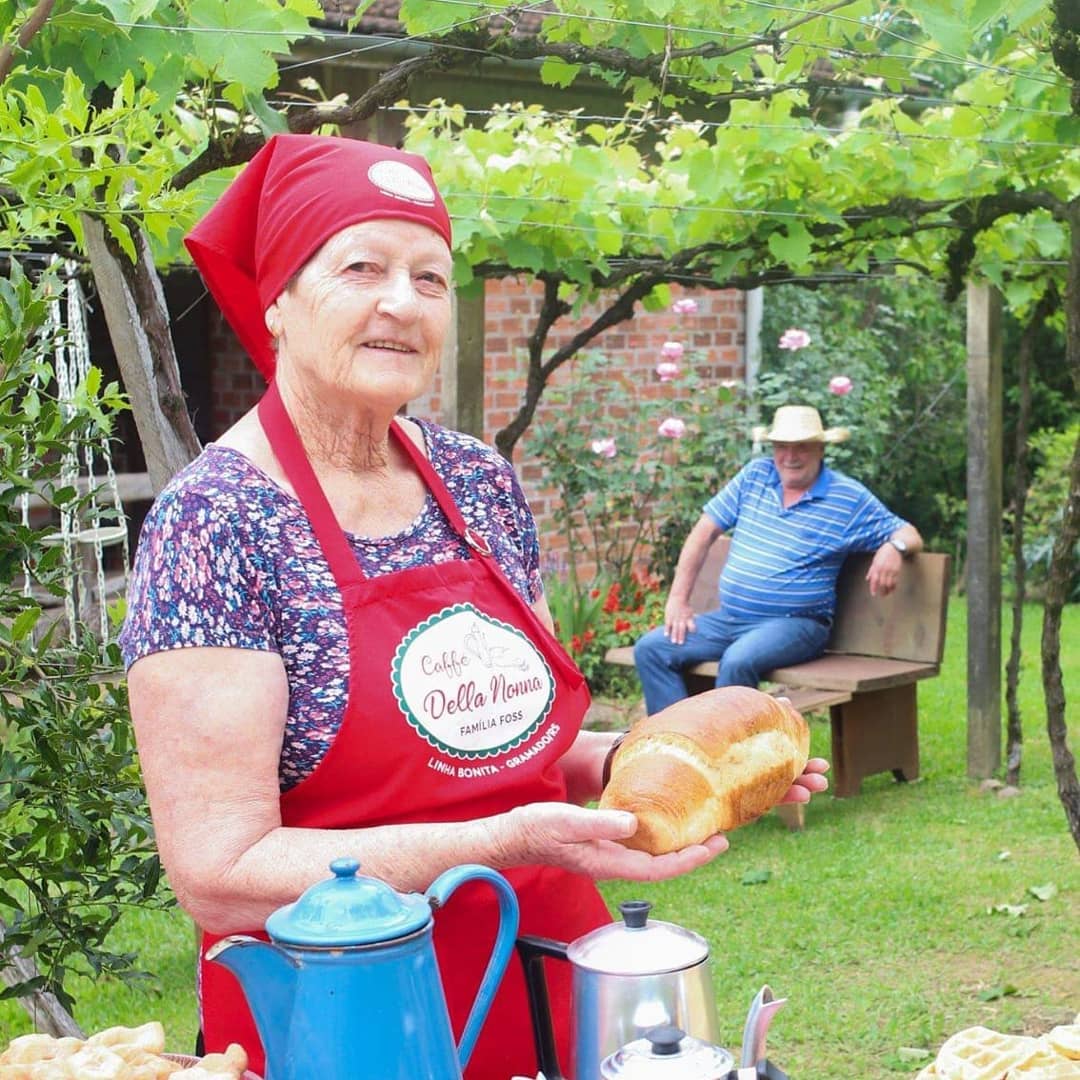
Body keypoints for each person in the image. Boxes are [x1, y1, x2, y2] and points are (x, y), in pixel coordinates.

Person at [120, 134, 829, 1080]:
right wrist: (505, 840)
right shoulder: (216, 522)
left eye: (429, 276)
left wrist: (644, 769)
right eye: (360, 268)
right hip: (346, 1017)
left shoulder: (476, 481)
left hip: (548, 985)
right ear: (278, 301)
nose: (400, 303)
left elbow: (508, 752)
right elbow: (219, 872)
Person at [634, 405, 923, 715]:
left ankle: (731, 756)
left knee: (738, 660)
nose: (790, 456)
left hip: (798, 625)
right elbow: (702, 533)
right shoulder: (755, 476)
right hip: (731, 619)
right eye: (782, 446)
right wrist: (678, 599)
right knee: (652, 649)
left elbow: (909, 533)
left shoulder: (847, 497)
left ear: (821, 448)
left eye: (801, 446)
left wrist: (893, 548)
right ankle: (678, 743)